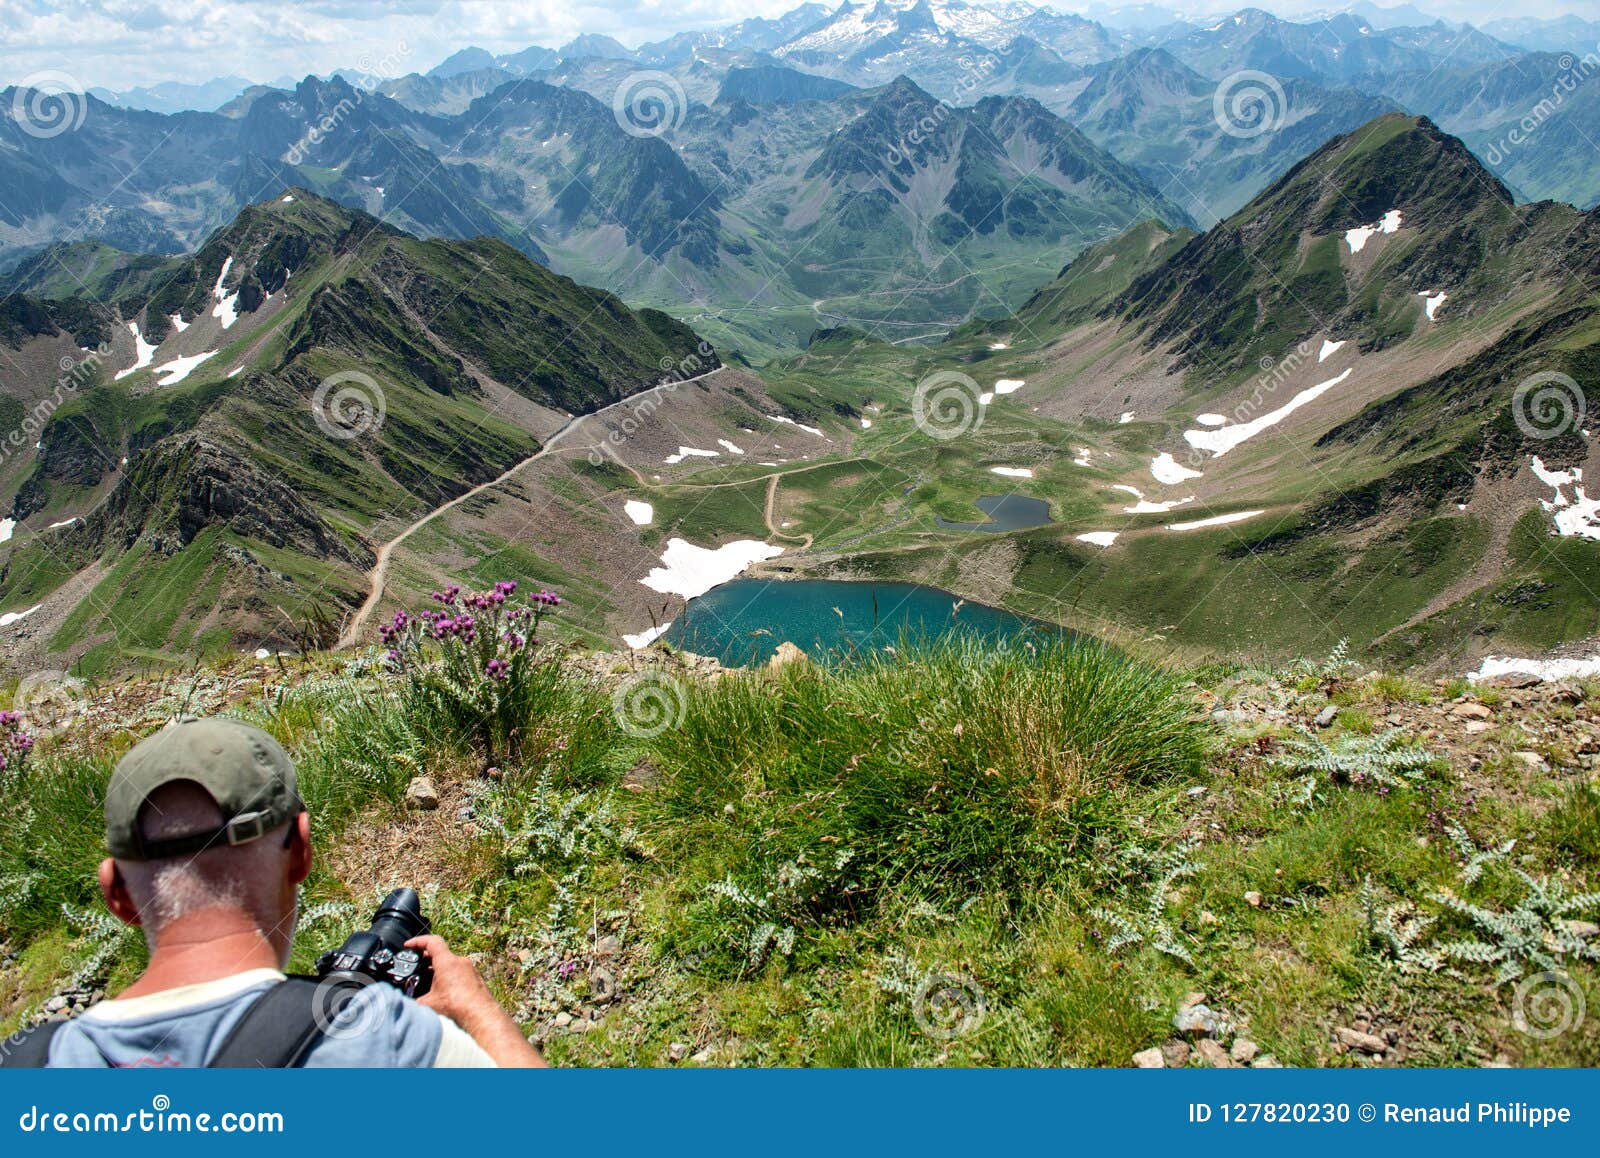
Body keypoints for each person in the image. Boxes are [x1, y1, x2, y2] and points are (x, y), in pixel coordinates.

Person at [5, 716, 543, 1068]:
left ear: (117, 896)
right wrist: (476, 1009)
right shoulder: (379, 1042)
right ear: (302, 853)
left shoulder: (25, 1068)